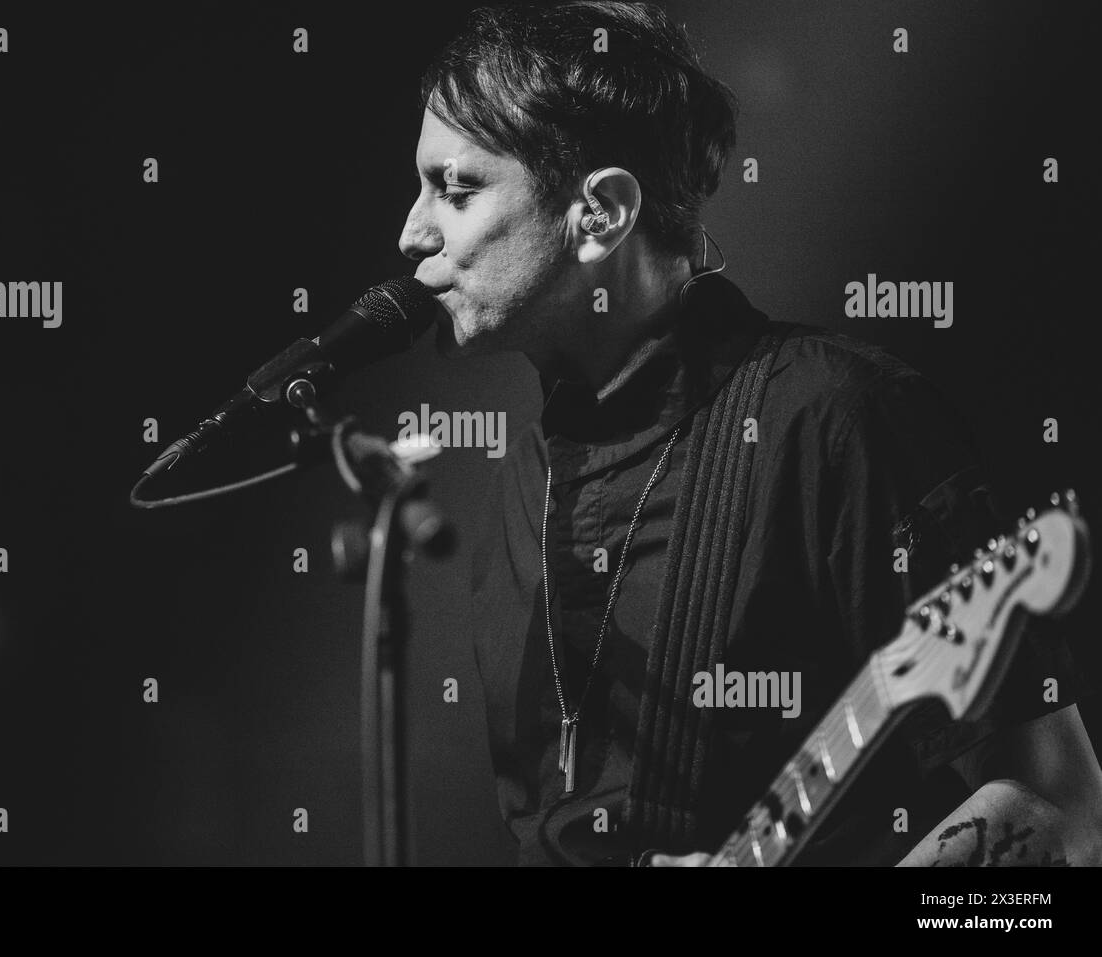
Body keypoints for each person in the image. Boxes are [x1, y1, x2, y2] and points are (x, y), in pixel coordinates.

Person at [396, 0, 1102, 866]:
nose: (411, 233)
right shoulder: (528, 473)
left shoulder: (839, 418)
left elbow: (1066, 817)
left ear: (603, 213)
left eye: (456, 188)